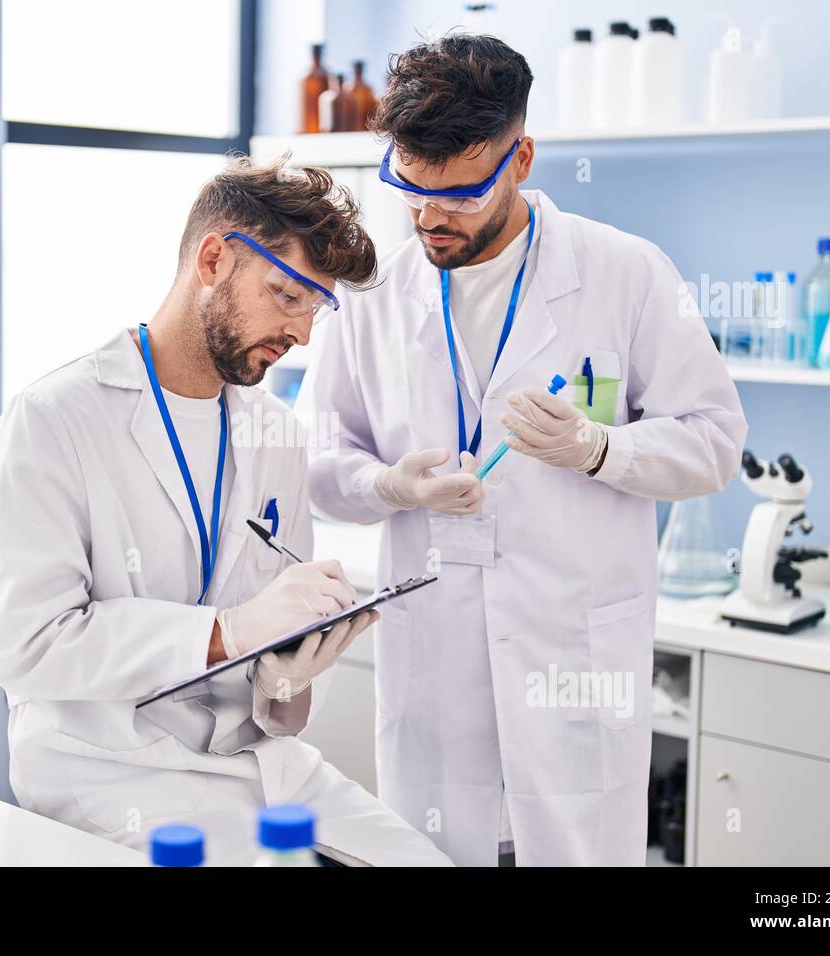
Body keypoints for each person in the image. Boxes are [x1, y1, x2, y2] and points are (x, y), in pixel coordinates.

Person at [296, 35, 747, 866]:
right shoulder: (373, 296)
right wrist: (390, 484)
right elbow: (318, 462)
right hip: (435, 673)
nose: (430, 216)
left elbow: (715, 441)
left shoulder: (627, 274)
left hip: (573, 668)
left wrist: (600, 449)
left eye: (460, 191)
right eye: (408, 187)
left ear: (522, 157)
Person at [0, 157, 453, 867]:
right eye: (288, 296)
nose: (303, 335)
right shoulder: (54, 418)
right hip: (110, 771)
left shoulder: (276, 432)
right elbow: (30, 645)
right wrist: (228, 631)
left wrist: (286, 674)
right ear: (213, 258)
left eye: (317, 310)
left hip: (255, 763)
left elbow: (275, 686)